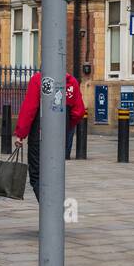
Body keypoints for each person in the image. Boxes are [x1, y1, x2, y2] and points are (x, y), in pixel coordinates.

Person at [15, 71, 85, 201]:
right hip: (60, 136)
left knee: (36, 175)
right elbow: (79, 111)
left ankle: (50, 208)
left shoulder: (38, 80)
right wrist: (67, 126)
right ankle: (54, 208)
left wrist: (21, 134)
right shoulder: (71, 82)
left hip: (39, 134)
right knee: (55, 173)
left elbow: (29, 109)